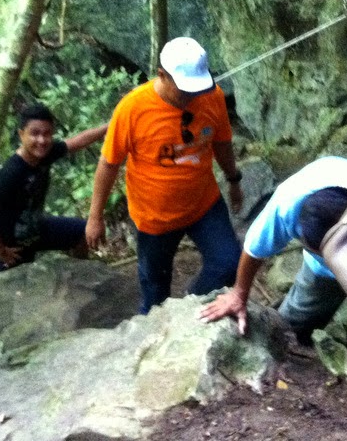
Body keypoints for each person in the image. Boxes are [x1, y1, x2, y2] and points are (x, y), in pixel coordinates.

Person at [198, 156, 347, 380]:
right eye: (323, 253)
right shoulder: (286, 205)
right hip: (324, 274)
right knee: (292, 323)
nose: (339, 266)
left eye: (336, 254)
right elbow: (254, 249)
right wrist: (238, 293)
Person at [86, 37, 244, 314]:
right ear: (162, 75)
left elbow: (221, 141)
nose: (193, 96)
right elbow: (109, 163)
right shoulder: (133, 108)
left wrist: (233, 180)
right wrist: (95, 216)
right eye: (185, 91)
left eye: (197, 88)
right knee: (155, 289)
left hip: (203, 204)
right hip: (154, 220)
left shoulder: (212, 96)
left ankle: (189, 309)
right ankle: (155, 326)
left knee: (229, 263)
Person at [0, 104, 108, 273]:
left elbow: (77, 141)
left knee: (83, 231)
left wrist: (110, 126)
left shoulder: (46, 153)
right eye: (35, 133)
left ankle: (80, 275)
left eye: (47, 134)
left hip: (36, 230)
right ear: (21, 134)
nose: (42, 140)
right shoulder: (12, 171)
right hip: (10, 248)